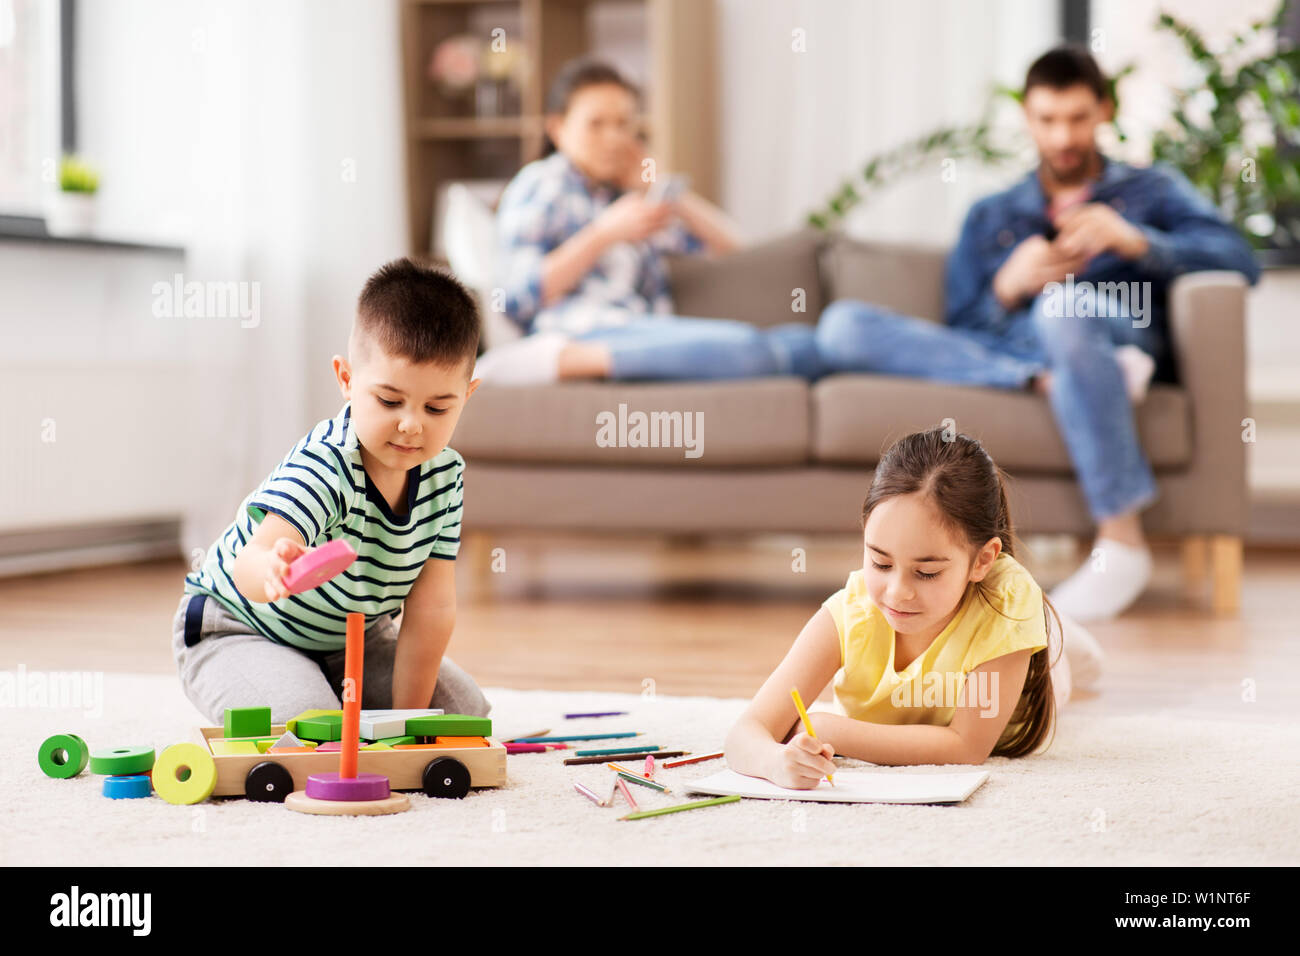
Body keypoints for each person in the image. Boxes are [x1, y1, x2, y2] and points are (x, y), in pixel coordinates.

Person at [814, 45, 1261, 622]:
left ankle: (1122, 537)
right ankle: (1040, 378)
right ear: (1027, 116)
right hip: (1012, 349)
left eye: (1077, 118)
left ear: (1104, 111)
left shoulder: (1153, 191)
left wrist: (1137, 241)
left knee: (1066, 306)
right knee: (844, 325)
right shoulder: (992, 214)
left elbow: (1239, 259)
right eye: (1048, 120)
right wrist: (1005, 285)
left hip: (1113, 331)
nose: (1063, 136)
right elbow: (960, 333)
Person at [172, 258, 489, 725]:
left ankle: (334, 694)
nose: (410, 424)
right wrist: (274, 570)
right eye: (389, 400)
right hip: (241, 629)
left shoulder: (446, 476)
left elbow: (432, 607)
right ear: (346, 379)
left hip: (349, 644)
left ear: (467, 396)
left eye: (437, 407)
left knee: (462, 718)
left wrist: (407, 724)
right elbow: (250, 563)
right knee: (311, 728)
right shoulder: (327, 465)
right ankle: (295, 692)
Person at [724, 427, 1071, 787]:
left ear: (982, 561)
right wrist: (776, 762)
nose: (897, 593)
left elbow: (967, 746)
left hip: (1026, 660)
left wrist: (834, 731)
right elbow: (745, 733)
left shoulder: (1008, 606)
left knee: (1062, 668)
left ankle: (1063, 632)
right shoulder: (852, 611)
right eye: (881, 564)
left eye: (926, 572)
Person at [477, 57, 826, 384]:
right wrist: (604, 234)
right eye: (596, 124)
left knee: (802, 343)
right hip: (581, 332)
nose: (614, 138)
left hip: (644, 330)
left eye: (623, 124)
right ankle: (549, 362)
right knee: (755, 348)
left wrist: (667, 190)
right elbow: (512, 297)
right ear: (557, 128)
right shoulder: (542, 184)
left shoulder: (632, 198)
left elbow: (738, 253)